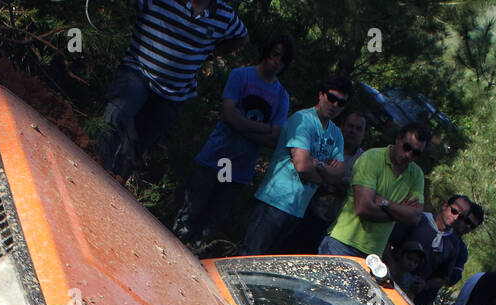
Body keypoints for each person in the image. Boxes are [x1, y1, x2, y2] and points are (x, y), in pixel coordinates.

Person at [99, 0, 249, 183]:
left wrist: (211, 52)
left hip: (175, 92)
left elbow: (241, 37)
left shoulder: (224, 16)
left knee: (136, 145)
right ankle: (93, 170)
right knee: (115, 118)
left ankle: (115, 185)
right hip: (139, 71)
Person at [174, 36, 293, 249]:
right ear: (267, 52)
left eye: (283, 59)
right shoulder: (241, 76)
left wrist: (244, 124)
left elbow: (275, 134)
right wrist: (261, 128)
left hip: (239, 169)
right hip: (216, 156)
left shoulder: (282, 95)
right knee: (190, 212)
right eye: (275, 54)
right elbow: (229, 114)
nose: (277, 62)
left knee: (211, 221)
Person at [241, 75, 351, 254]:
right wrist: (324, 175)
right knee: (249, 256)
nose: (335, 105)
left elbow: (339, 173)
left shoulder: (336, 133)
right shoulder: (302, 120)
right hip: (275, 202)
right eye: (332, 98)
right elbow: (302, 166)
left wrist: (319, 166)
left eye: (341, 103)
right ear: (321, 95)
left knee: (267, 263)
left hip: (299, 210)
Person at [319, 122, 430, 259]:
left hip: (373, 254)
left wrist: (385, 203)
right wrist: (399, 214)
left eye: (416, 153)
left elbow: (415, 218)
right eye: (407, 147)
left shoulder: (416, 174)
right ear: (398, 139)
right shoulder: (372, 158)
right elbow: (363, 209)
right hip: (342, 242)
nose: (408, 155)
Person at [288, 110, 367, 252]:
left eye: (358, 129)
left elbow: (356, 190)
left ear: (363, 134)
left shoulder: (365, 161)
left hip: (334, 226)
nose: (352, 131)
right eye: (350, 126)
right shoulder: (326, 146)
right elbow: (309, 169)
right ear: (341, 126)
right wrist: (337, 181)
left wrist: (328, 177)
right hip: (305, 211)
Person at [386, 194, 477, 305]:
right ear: (445, 206)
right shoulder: (417, 220)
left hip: (412, 303)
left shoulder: (453, 244)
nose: (455, 217)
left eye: (461, 217)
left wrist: (424, 285)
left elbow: (443, 277)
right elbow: (387, 241)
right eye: (454, 211)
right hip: (387, 283)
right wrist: (392, 266)